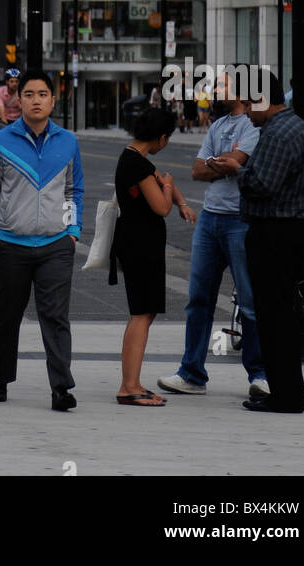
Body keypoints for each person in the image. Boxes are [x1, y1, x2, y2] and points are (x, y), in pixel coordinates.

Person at [0, 70, 84, 411]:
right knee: (6, 315)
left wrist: (72, 232)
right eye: (29, 94)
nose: (36, 100)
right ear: (18, 100)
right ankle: (0, 379)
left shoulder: (68, 141)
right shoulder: (2, 141)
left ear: (53, 100)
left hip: (55, 245)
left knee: (56, 317)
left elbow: (73, 190)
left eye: (42, 94)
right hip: (10, 244)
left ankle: (61, 387)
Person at [157, 68, 268, 399]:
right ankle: (191, 373)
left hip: (240, 219)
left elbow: (236, 160)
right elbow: (197, 169)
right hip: (210, 218)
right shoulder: (218, 125)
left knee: (249, 302)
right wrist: (222, 167)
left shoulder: (254, 125)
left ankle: (260, 374)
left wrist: (220, 165)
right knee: (198, 300)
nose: (216, 88)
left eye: (224, 84)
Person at [217, 70, 304, 413]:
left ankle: (285, 395)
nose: (246, 111)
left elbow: (264, 185)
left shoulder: (277, 134)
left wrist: (236, 168)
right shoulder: (298, 128)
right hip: (292, 229)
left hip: (275, 231)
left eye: (249, 103)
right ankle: (290, 391)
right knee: (282, 314)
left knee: (273, 316)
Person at [111, 107, 195, 406]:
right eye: (167, 138)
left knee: (142, 313)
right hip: (140, 245)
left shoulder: (134, 157)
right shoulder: (140, 166)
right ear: (160, 138)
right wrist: (170, 188)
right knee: (141, 315)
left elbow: (161, 184)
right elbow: (161, 205)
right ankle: (129, 386)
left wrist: (181, 200)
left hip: (136, 243)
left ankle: (132, 383)